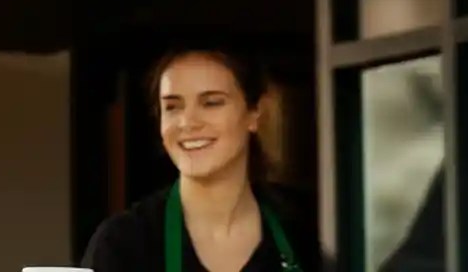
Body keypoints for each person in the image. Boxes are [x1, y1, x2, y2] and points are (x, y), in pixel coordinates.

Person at [81, 38, 321, 271]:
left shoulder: (302, 237)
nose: (188, 122)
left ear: (254, 113)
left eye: (212, 102)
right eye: (173, 107)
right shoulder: (123, 243)